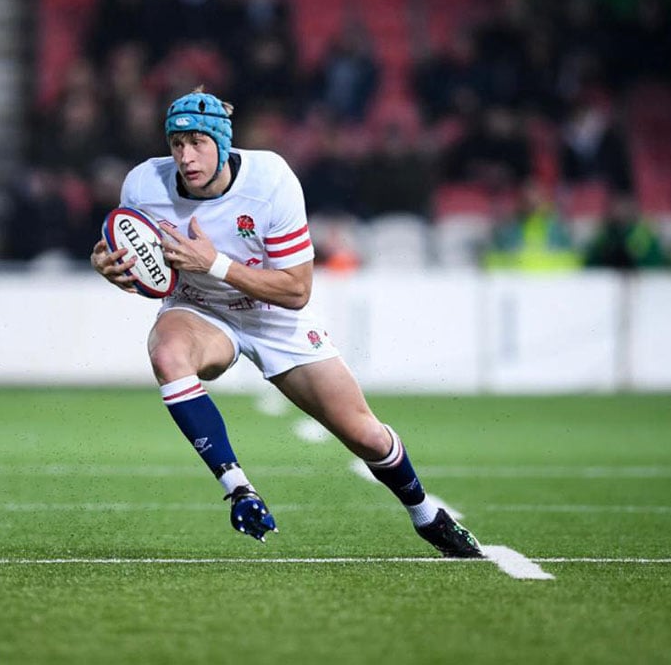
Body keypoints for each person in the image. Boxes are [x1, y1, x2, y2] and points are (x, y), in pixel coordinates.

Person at [89, 87, 484, 557]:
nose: (186, 156)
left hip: (273, 315)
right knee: (167, 353)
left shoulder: (271, 179)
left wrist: (215, 264)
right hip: (199, 309)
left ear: (222, 140)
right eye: (177, 144)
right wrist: (111, 267)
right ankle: (238, 487)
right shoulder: (143, 185)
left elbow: (297, 290)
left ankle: (426, 515)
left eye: (198, 142)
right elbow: (138, 260)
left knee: (366, 435)